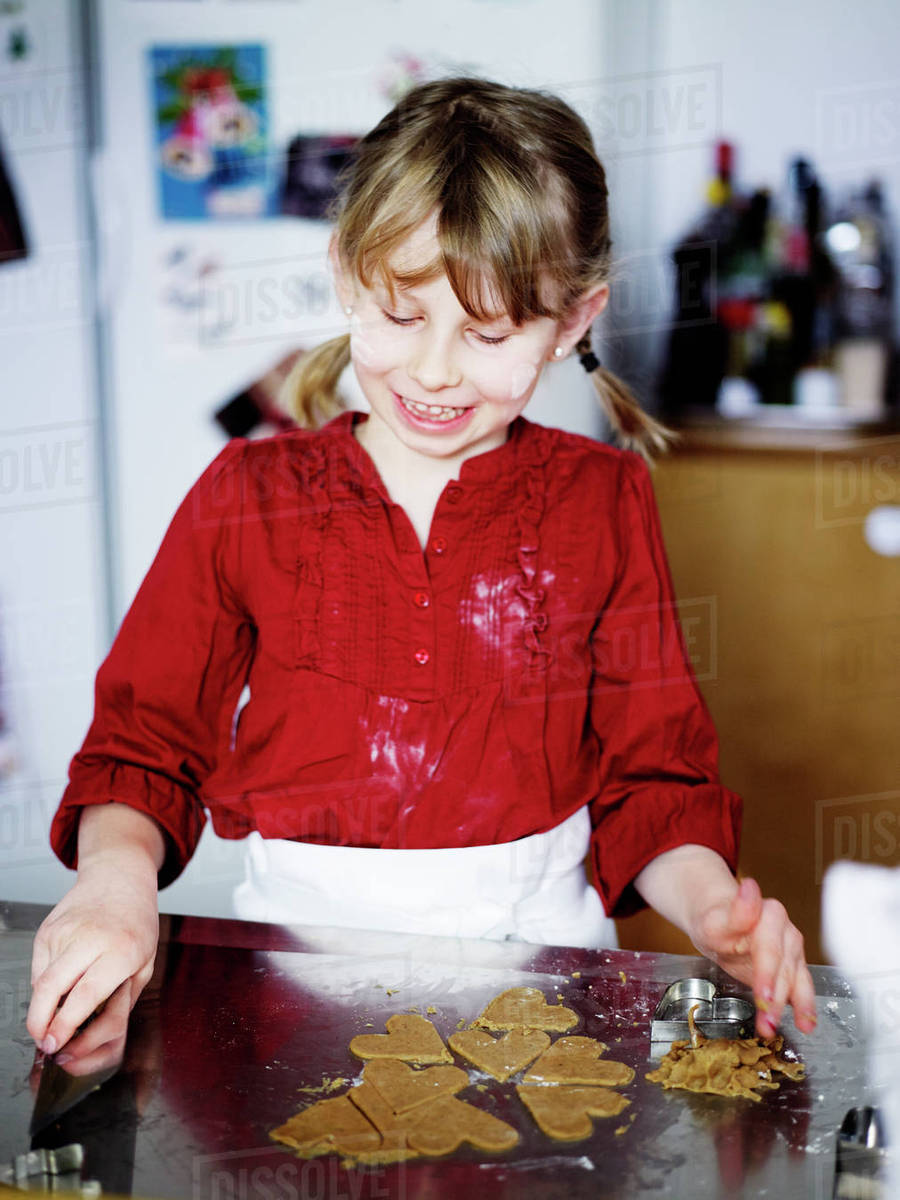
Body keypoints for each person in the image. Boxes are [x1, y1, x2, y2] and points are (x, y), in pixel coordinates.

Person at [27, 77, 816, 1064]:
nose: (437, 372)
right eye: (402, 316)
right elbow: (145, 746)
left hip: (545, 981)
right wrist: (112, 883)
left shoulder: (602, 501)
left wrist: (712, 912)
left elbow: (652, 780)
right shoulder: (247, 496)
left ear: (573, 321)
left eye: (489, 336)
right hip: (292, 982)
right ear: (349, 278)